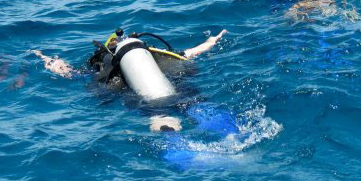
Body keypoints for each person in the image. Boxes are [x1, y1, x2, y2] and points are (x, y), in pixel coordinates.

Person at [33, 28, 227, 132]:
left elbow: (69, 73)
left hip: (147, 102)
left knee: (160, 119)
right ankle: (229, 131)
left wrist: (46, 59)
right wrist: (212, 41)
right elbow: (190, 53)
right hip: (178, 91)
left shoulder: (109, 71)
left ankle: (175, 141)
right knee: (197, 107)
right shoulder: (160, 57)